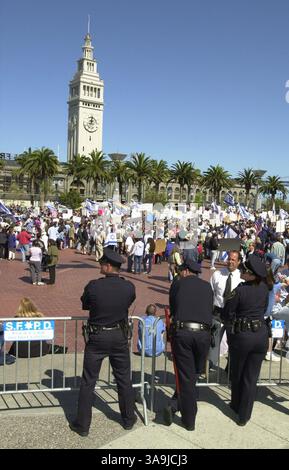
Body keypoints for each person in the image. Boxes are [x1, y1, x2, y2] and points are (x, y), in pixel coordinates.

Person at [69, 248, 137, 437]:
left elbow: (85, 304)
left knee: (88, 381)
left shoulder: (94, 285)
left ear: (108, 266)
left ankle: (83, 425)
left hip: (97, 337)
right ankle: (128, 419)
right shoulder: (129, 286)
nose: (100, 266)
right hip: (119, 336)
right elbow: (129, 302)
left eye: (101, 263)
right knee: (124, 379)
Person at [163, 260, 213, 431]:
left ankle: (188, 418)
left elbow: (173, 307)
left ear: (185, 271)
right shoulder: (207, 286)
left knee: (186, 377)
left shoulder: (178, 284)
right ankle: (176, 404)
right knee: (193, 375)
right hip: (203, 335)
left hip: (183, 333)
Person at [222, 255, 270, 426]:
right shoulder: (265, 288)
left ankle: (236, 405)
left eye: (244, 270)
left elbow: (227, 313)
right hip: (261, 335)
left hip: (243, 336)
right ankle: (244, 415)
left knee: (238, 373)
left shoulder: (240, 290)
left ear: (251, 274)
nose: (241, 272)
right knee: (251, 378)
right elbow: (264, 308)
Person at [209, 251, 244, 366]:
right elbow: (210, 293)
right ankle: (211, 365)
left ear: (238, 262)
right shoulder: (217, 274)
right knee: (214, 341)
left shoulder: (242, 278)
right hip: (218, 312)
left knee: (233, 343)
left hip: (233, 314)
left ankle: (230, 368)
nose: (230, 261)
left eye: (233, 260)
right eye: (229, 259)